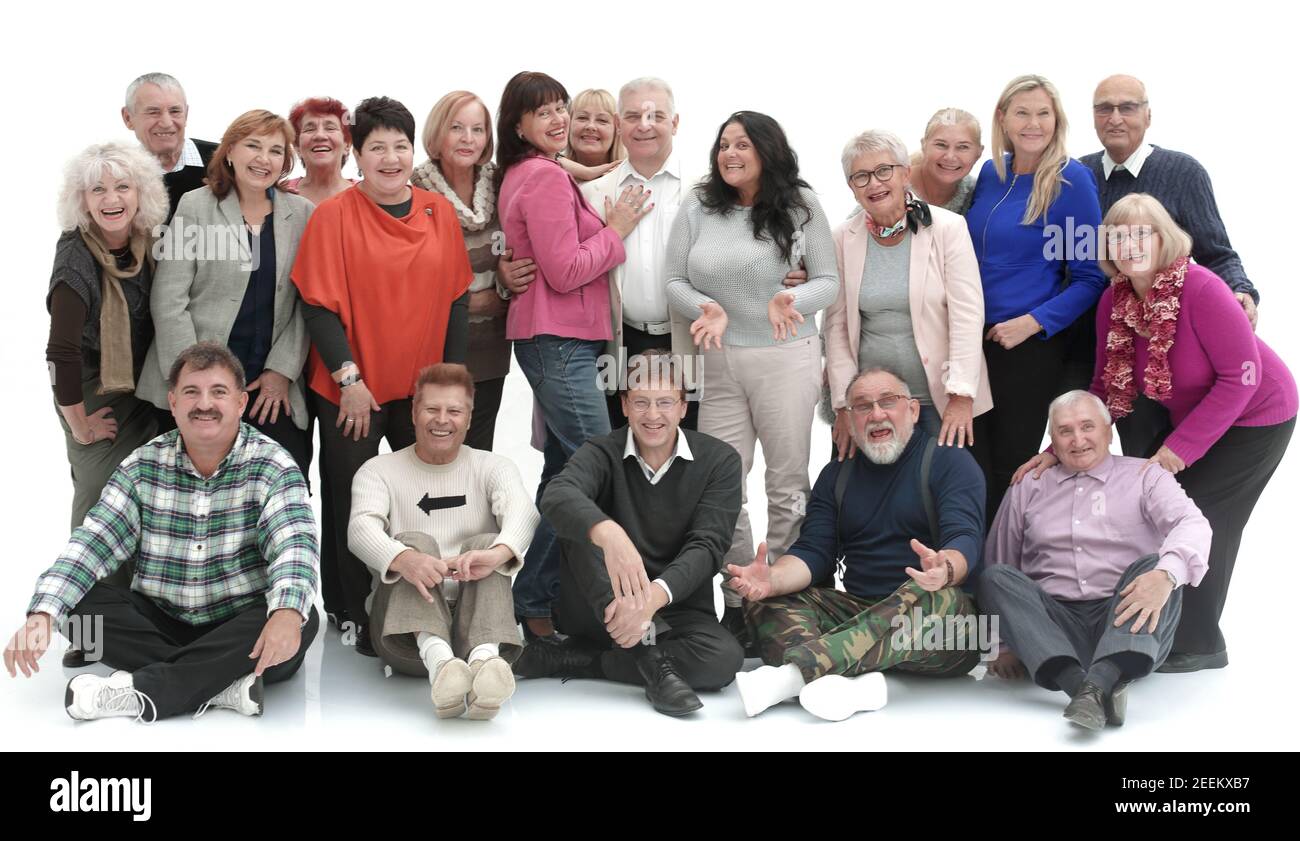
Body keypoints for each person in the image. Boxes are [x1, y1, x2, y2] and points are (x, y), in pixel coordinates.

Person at [1016, 194, 1297, 673]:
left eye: (1141, 233)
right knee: (1157, 512)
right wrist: (1057, 448)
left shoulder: (1203, 290)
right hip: (1190, 412)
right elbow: (1106, 385)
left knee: (1204, 515)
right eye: (1119, 236)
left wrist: (1177, 451)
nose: (1130, 244)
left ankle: (1200, 643)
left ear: (1164, 238)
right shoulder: (1114, 299)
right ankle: (1156, 627)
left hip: (1257, 411)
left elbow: (1241, 377)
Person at [4, 342, 320, 722]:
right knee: (77, 613)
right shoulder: (141, 465)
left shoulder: (274, 465)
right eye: (192, 392)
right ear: (172, 402)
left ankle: (138, 693)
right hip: (161, 620)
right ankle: (222, 686)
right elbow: (93, 542)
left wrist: (286, 612)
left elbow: (295, 547)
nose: (205, 403)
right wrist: (42, 614)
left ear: (240, 403)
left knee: (300, 619)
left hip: (238, 623)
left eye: (218, 392)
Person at [292, 96, 473, 652]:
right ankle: (348, 607)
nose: (391, 158)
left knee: (426, 491)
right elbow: (317, 307)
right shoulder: (333, 215)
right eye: (377, 148)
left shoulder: (437, 211)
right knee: (350, 496)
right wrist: (349, 380)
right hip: (355, 388)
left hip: (419, 387)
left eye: (401, 146)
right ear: (357, 153)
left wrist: (448, 383)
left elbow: (457, 299)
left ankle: (423, 604)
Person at [665, 110, 839, 648]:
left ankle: (784, 599)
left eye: (742, 144)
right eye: (723, 145)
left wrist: (792, 299)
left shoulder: (802, 204)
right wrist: (706, 306)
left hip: (787, 357)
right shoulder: (698, 204)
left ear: (767, 150)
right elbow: (673, 278)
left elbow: (828, 280)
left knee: (787, 483)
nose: (730, 154)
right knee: (721, 487)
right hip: (718, 361)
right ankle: (740, 598)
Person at [728, 367, 986, 721]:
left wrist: (946, 567)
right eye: (862, 407)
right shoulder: (836, 475)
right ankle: (858, 685)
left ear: (912, 410)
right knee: (768, 599)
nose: (876, 414)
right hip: (861, 611)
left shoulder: (950, 462)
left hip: (942, 627)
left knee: (936, 599)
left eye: (888, 402)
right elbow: (814, 552)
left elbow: (966, 537)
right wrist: (772, 579)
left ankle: (793, 675)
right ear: (848, 420)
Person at [495, 71, 652, 642]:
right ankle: (616, 607)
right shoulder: (541, 177)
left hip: (558, 339)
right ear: (518, 123)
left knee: (565, 475)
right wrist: (616, 231)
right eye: (545, 112)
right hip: (557, 338)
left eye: (562, 107)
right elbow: (563, 272)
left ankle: (532, 600)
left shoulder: (535, 171)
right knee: (600, 465)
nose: (560, 119)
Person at [516, 350, 745, 716]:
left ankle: (586, 661)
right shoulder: (601, 452)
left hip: (676, 608)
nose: (653, 415)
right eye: (641, 402)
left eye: (665, 402)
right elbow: (558, 496)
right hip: (600, 606)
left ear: (684, 408)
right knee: (577, 523)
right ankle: (652, 663)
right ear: (624, 405)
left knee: (723, 660)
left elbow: (708, 546)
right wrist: (609, 534)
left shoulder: (720, 461)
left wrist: (652, 598)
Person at [982, 390, 1210, 730]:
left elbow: (1193, 524)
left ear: (1108, 431)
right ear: (1053, 441)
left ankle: (1093, 683)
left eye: (1087, 427)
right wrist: (998, 645)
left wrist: (1166, 576)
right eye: (1065, 431)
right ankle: (1090, 688)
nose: (1078, 439)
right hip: (1054, 629)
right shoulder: (1029, 485)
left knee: (1157, 565)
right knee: (995, 576)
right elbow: (1000, 557)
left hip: (1130, 621)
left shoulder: (1145, 476)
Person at [347, 364, 538, 720]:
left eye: (454, 411)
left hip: (477, 625)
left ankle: (485, 664)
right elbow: (360, 530)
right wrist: (405, 559)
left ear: (468, 419)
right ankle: (440, 665)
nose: (442, 420)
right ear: (414, 413)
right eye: (432, 409)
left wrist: (495, 554)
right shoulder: (379, 470)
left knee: (491, 541)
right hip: (403, 639)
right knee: (412, 542)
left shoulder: (493, 466)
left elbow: (524, 514)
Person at [140, 109, 314, 475]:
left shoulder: (302, 214)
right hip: (197, 377)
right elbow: (169, 299)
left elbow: (307, 302)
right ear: (230, 151)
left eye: (276, 150)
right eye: (253, 146)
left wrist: (281, 371)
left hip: (267, 382)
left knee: (284, 479)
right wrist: (190, 377)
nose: (264, 159)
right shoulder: (195, 205)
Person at [965, 74, 1106, 523]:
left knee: (1009, 467)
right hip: (974, 342)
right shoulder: (991, 173)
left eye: (1043, 113)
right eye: (1022, 113)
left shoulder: (1071, 182)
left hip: (1027, 346)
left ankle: (1000, 579)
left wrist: (1032, 323)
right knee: (970, 463)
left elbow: (1088, 278)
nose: (1033, 124)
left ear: (1057, 120)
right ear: (1003, 119)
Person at [824, 129, 991, 459]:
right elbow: (836, 327)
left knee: (946, 495)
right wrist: (843, 406)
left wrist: (961, 395)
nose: (874, 183)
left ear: (905, 174)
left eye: (884, 171)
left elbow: (968, 315)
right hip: (871, 406)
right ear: (852, 188)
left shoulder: (948, 228)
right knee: (860, 500)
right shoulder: (843, 237)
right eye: (861, 176)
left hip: (941, 398)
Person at [47, 142, 168, 530]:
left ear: (140, 194)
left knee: (147, 496)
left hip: (146, 382)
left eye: (122, 187)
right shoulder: (76, 256)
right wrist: (81, 426)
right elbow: (60, 352)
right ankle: (92, 588)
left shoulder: (147, 240)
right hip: (94, 388)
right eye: (97, 189)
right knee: (101, 493)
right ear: (82, 200)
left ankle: (137, 590)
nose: (111, 199)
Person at [1082, 74, 1258, 328]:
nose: (1115, 118)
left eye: (1128, 108)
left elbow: (1216, 254)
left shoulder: (1184, 172)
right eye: (1105, 109)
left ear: (1148, 116)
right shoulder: (1077, 174)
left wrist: (1241, 291)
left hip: (1161, 330)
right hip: (1085, 329)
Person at [579, 77, 703, 431]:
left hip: (690, 340)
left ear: (675, 123)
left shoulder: (706, 190)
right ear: (618, 125)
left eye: (657, 116)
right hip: (619, 341)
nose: (644, 126)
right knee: (621, 448)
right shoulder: (592, 193)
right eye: (633, 116)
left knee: (689, 443)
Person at [412, 91, 510, 451]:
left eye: (477, 129)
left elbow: (517, 250)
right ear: (437, 133)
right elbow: (405, 276)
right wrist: (471, 303)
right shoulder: (411, 189)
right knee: (430, 451)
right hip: (432, 349)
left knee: (478, 453)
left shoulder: (504, 183)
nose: (468, 138)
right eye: (456, 128)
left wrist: (502, 290)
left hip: (491, 348)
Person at [120, 73, 217, 221]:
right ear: (128, 118)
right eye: (153, 112)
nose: (166, 122)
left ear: (186, 114)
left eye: (175, 111)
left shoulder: (225, 161)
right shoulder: (117, 174)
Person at [282, 96, 357, 205]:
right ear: (297, 147)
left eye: (330, 128)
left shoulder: (369, 195)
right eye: (309, 129)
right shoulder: (279, 194)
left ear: (347, 144)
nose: (320, 135)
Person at [908, 108, 984, 215]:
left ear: (979, 152)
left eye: (963, 147)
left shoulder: (977, 194)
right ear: (923, 145)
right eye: (941, 145)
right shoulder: (894, 186)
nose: (950, 157)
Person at [560, 88, 624, 182]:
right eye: (582, 118)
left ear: (617, 129)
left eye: (602, 120)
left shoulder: (632, 177)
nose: (590, 126)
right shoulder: (548, 172)